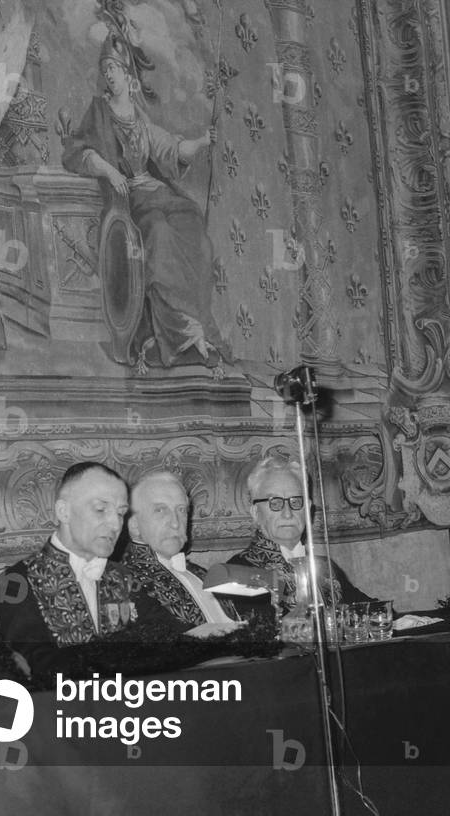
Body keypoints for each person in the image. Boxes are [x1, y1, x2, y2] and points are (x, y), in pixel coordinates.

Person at [62, 24, 229, 371]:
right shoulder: (99, 112)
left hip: (155, 191)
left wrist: (201, 142)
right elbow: (78, 152)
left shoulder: (140, 119)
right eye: (105, 69)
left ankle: (194, 324)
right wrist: (109, 171)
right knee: (159, 234)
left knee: (194, 232)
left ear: (128, 75)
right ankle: (179, 335)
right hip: (128, 201)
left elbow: (170, 149)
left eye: (114, 68)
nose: (109, 75)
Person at [0, 462, 136, 677]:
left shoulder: (127, 577)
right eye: (100, 509)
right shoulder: (12, 583)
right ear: (64, 512)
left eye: (121, 513)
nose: (115, 525)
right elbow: (38, 665)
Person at [227, 455, 373, 613]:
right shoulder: (238, 572)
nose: (288, 513)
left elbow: (368, 609)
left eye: (296, 502)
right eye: (275, 502)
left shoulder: (325, 567)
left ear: (308, 509)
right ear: (256, 512)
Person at [123, 470, 243, 636]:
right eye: (160, 510)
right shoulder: (123, 583)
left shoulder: (202, 574)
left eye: (181, 510)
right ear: (134, 524)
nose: (175, 523)